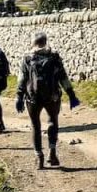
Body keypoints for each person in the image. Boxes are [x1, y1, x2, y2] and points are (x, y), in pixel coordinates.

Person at [15, 32, 81, 169]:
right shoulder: (54, 57)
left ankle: (39, 156)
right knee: (53, 121)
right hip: (53, 96)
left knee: (35, 125)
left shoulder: (27, 58)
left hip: (32, 97)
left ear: (33, 42)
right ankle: (52, 151)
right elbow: (63, 77)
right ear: (46, 42)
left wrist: (19, 96)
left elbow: (22, 79)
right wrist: (71, 94)